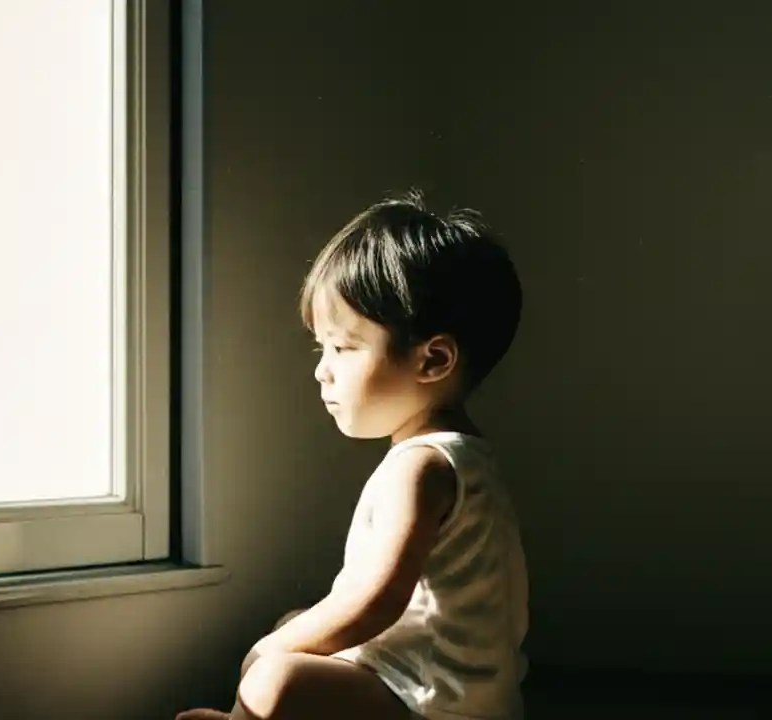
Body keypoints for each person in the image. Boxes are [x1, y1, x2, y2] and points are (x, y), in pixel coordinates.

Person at [177, 191, 528, 720]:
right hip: (443, 688)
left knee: (278, 676)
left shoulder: (422, 467)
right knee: (294, 624)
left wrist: (272, 653)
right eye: (322, 349)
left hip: (435, 705)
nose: (323, 370)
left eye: (342, 348)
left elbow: (374, 604)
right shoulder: (465, 458)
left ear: (433, 359)